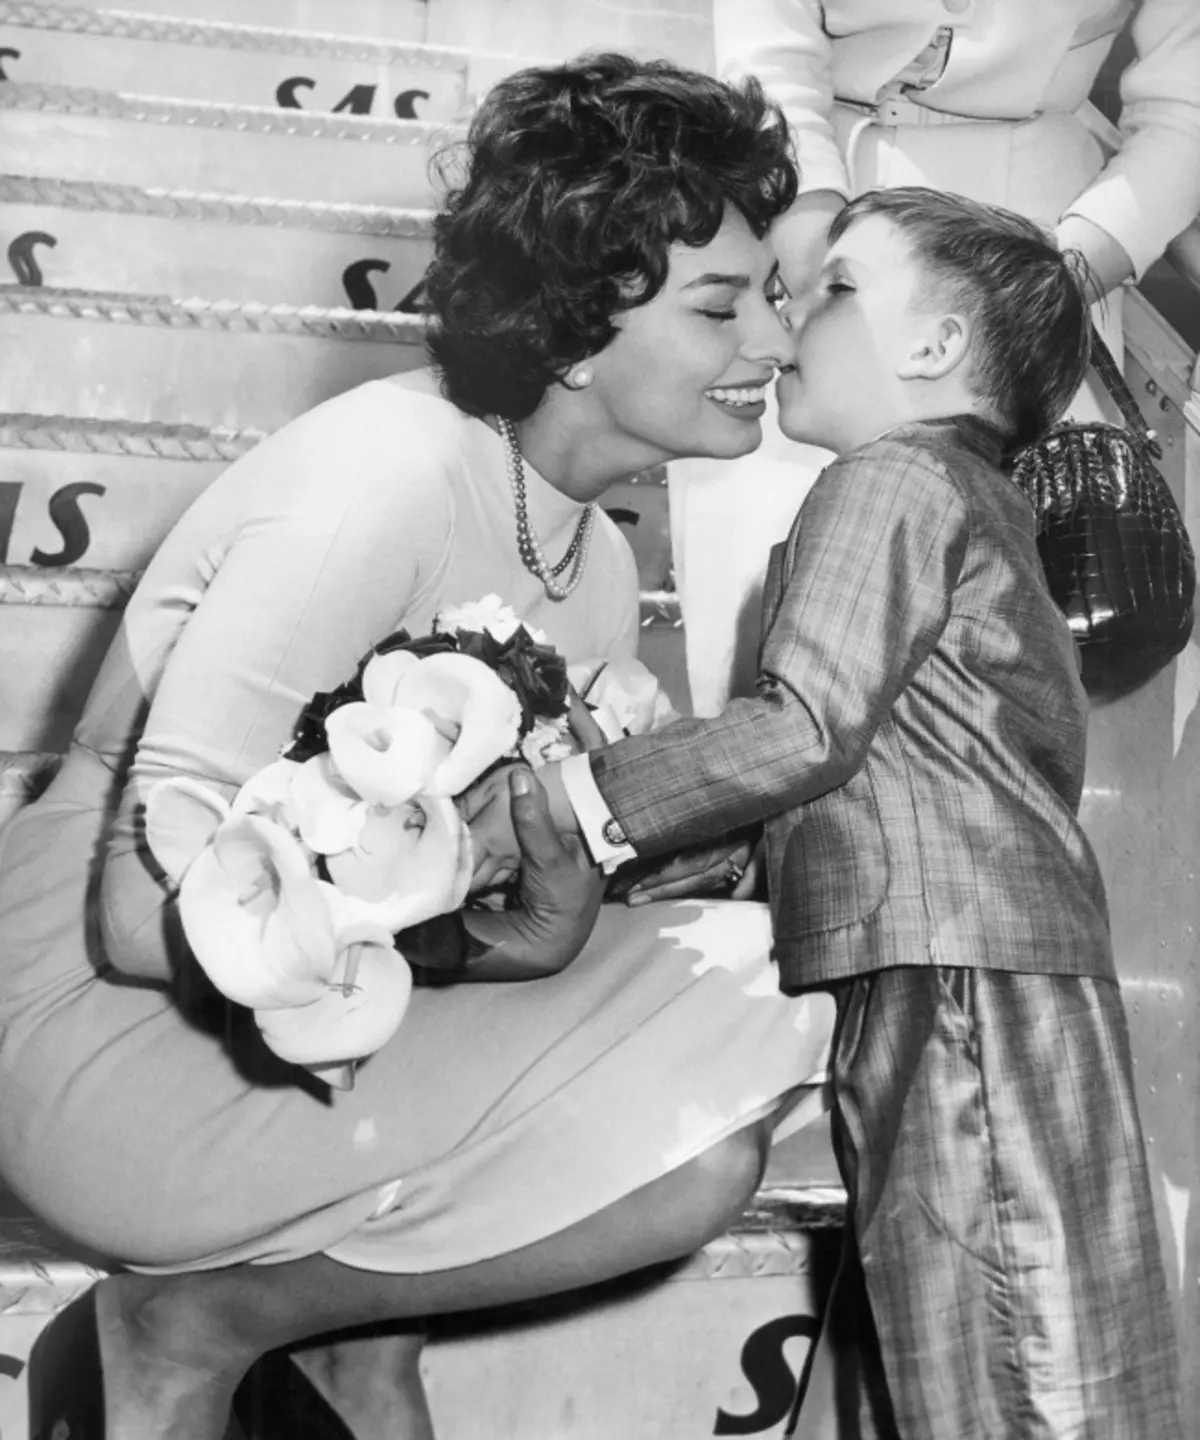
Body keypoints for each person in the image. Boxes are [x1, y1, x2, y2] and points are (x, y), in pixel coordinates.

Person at [0, 54, 837, 1440]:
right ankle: (192, 1326)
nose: (775, 342)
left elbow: (471, 891)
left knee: (742, 1061)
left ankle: (356, 1337)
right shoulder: (378, 479)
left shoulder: (599, 566)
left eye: (774, 297)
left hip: (301, 1005)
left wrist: (555, 907)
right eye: (720, 305)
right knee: (715, 1077)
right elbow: (141, 918)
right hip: (103, 1022)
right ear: (576, 330)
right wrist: (473, 939)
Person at [472, 187, 1182, 1436]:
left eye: (835, 288)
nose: (789, 314)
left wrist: (572, 803)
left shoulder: (889, 482)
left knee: (1013, 1367)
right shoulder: (974, 505)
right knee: (993, 1338)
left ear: (935, 350)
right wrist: (659, 852)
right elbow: (853, 774)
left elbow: (804, 730)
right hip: (980, 959)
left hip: (958, 970)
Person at [673, 0, 1200, 715]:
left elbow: (1188, 102)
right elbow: (770, 55)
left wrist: (1042, 296)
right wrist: (823, 286)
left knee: (1011, 653)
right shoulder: (810, 268)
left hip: (1048, 236)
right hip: (804, 193)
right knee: (768, 627)